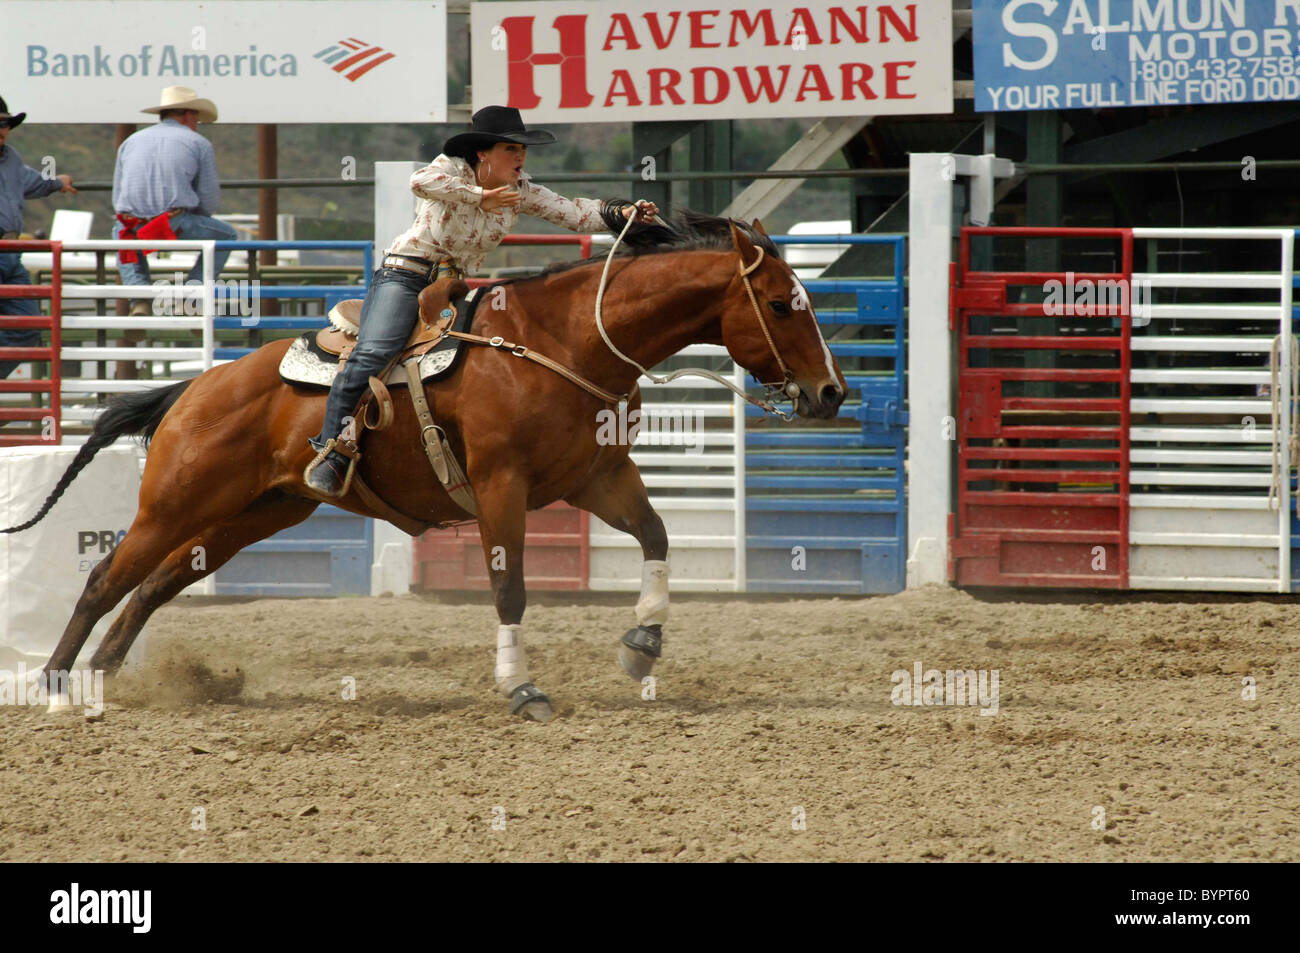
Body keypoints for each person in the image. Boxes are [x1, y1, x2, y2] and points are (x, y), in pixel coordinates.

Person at [304, 105, 658, 497]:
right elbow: (420, 181)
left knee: (489, 356)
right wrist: (479, 197)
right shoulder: (452, 169)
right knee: (375, 351)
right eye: (511, 148)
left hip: (454, 285)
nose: (521, 156)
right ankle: (332, 449)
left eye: (523, 149)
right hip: (406, 275)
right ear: (482, 154)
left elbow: (572, 212)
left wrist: (621, 213)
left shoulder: (521, 190)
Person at [112, 86, 237, 316]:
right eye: (196, 117)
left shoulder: (131, 141)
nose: (197, 122)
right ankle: (191, 298)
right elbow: (208, 199)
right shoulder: (198, 143)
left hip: (132, 224)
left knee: (122, 232)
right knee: (227, 236)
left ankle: (140, 299)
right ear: (188, 115)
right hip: (173, 222)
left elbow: (117, 197)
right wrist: (194, 216)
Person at [0, 95, 76, 380]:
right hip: (7, 249)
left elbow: (33, 182)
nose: (3, 130)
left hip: (10, 251)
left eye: (6, 124)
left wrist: (59, 182)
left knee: (27, 327)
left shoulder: (12, 158)